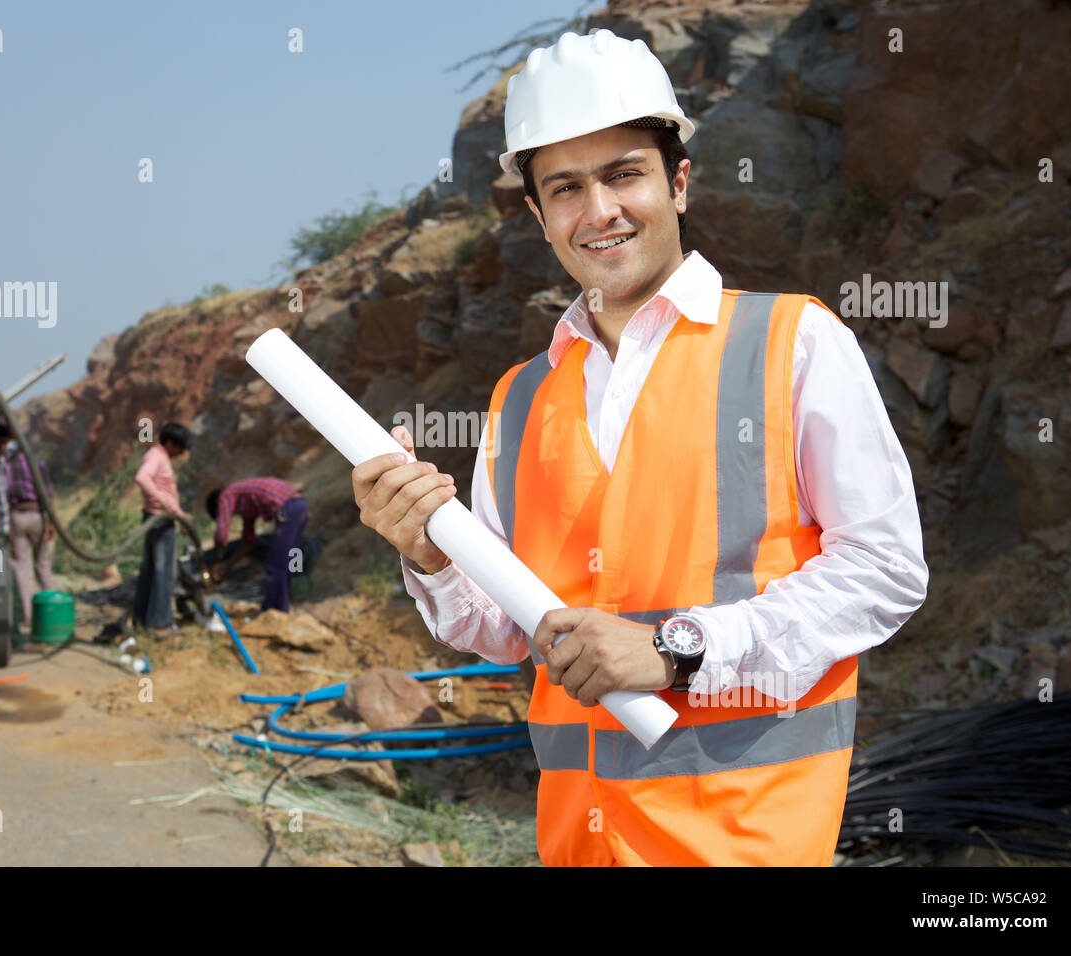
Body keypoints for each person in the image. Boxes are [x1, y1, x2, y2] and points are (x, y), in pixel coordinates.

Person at [350, 29, 928, 866]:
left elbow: (885, 569)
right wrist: (430, 553)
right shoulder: (522, 396)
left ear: (679, 182)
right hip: (577, 842)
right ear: (539, 215)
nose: (600, 212)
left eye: (624, 174)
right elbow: (508, 628)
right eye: (567, 188)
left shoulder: (793, 341)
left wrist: (676, 652)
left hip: (744, 839)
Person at [205, 477, 308, 613]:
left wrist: (215, 564)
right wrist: (227, 566)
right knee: (290, 560)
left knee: (276, 562)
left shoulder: (226, 495)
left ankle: (273, 610)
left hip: (288, 507)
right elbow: (249, 542)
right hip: (300, 505)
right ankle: (289, 603)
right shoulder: (246, 503)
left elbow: (221, 534)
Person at [133, 422, 192, 637]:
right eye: (179, 447)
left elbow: (165, 490)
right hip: (159, 520)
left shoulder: (160, 457)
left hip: (161, 518)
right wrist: (166, 506)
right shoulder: (156, 456)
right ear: (170, 443)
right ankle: (160, 625)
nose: (181, 453)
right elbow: (141, 478)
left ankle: (142, 620)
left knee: (151, 571)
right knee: (163, 572)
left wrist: (180, 515)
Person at [5, 439, 56, 626]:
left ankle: (26, 616)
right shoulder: (39, 465)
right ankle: (48, 612)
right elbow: (48, 494)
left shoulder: (7, 466)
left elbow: (5, 494)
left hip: (17, 516)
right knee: (42, 564)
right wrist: (52, 523)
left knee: (21, 566)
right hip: (39, 515)